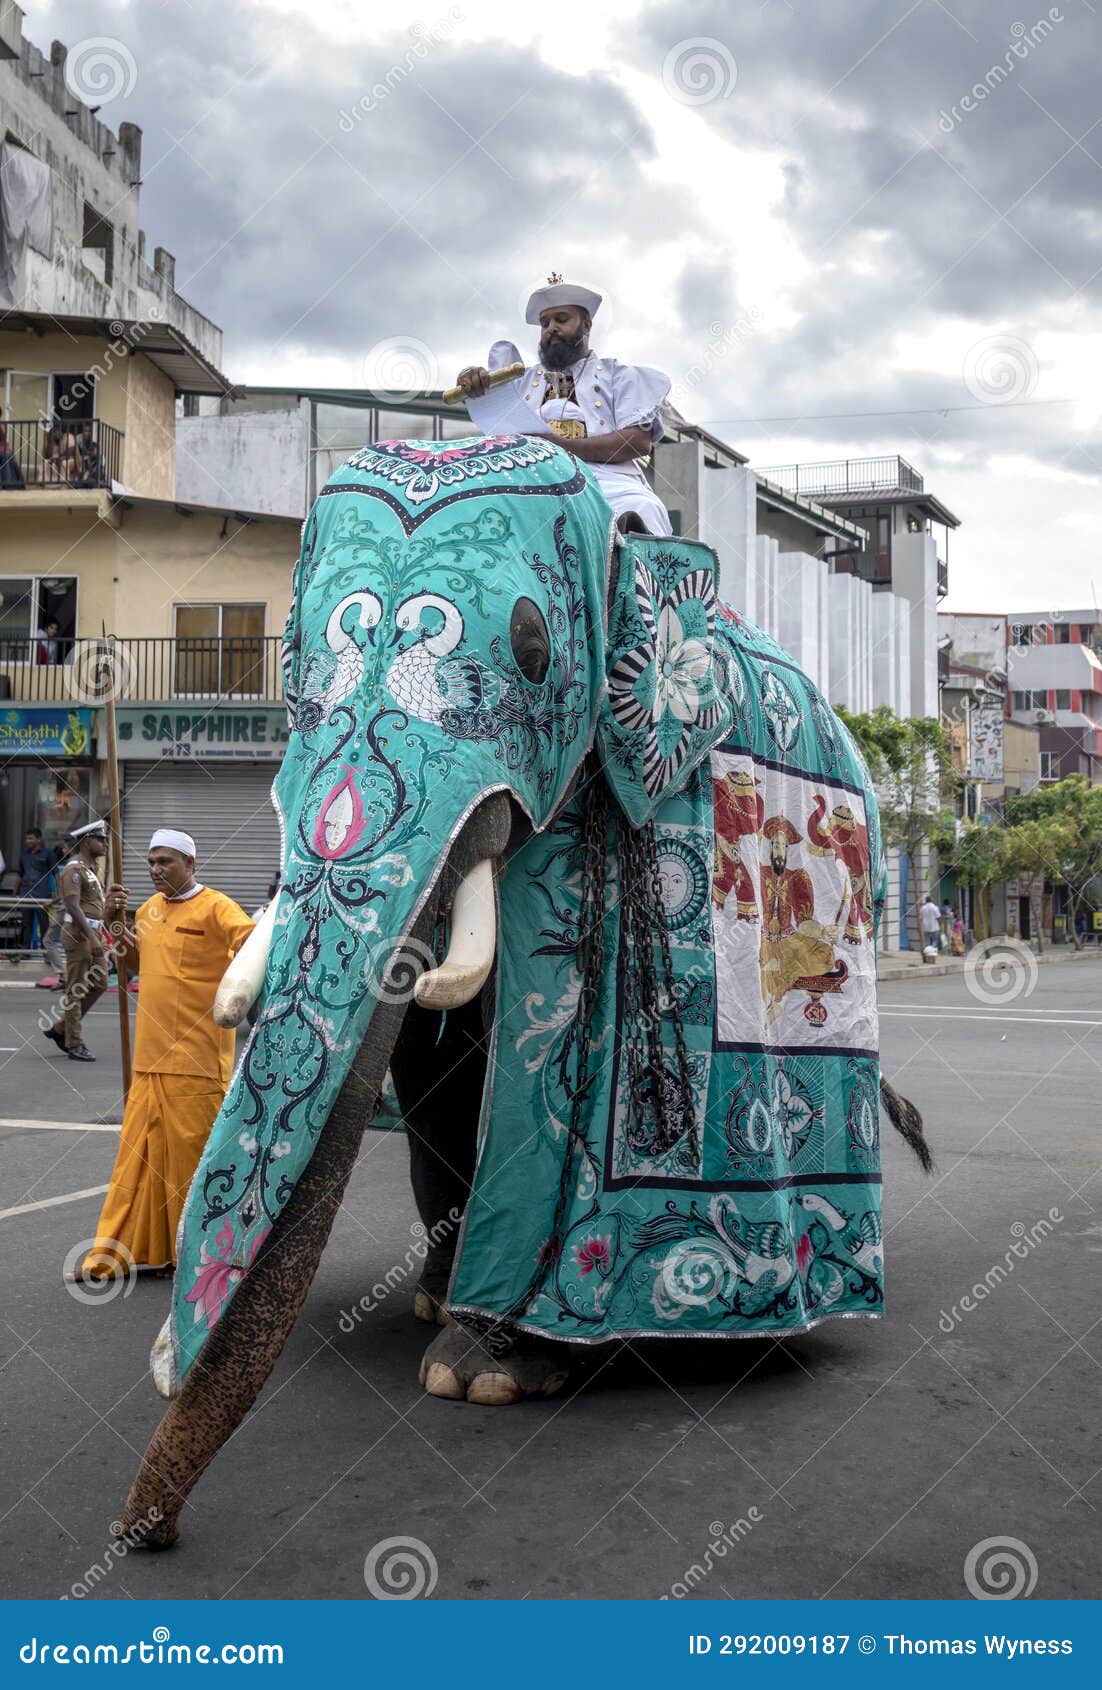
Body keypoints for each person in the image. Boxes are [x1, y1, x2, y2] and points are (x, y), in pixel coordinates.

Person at [74, 828, 254, 1281]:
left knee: (194, 1167)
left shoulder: (218, 907)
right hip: (150, 1058)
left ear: (190, 864)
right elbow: (132, 963)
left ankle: (201, 1258)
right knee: (135, 1163)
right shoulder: (149, 910)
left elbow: (255, 949)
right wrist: (116, 920)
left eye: (166, 862)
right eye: (152, 861)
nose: (156, 870)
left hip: (198, 1060)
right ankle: (119, 1253)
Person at [455, 273, 674, 535]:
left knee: (641, 507)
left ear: (587, 325)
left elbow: (638, 442)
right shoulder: (520, 379)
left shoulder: (619, 376)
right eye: (544, 323)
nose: (551, 329)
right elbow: (488, 399)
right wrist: (470, 377)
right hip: (532, 478)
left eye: (561, 319)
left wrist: (558, 446)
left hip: (607, 482)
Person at [43, 819, 108, 1061]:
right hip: (79, 935)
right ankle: (74, 1042)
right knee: (76, 989)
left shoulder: (90, 869)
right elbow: (72, 905)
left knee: (100, 983)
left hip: (94, 933)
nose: (104, 843)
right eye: (99, 839)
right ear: (85, 842)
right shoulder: (74, 869)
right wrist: (92, 938)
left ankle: (61, 1028)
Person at [15, 825, 58, 949]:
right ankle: (25, 952)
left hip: (42, 896)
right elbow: (20, 874)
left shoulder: (48, 854)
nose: (28, 841)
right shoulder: (24, 855)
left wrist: (60, 892)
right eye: (27, 839)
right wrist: (14, 894)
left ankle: (46, 953)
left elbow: (56, 874)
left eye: (31, 839)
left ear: (39, 839)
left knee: (44, 925)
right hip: (26, 895)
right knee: (26, 925)